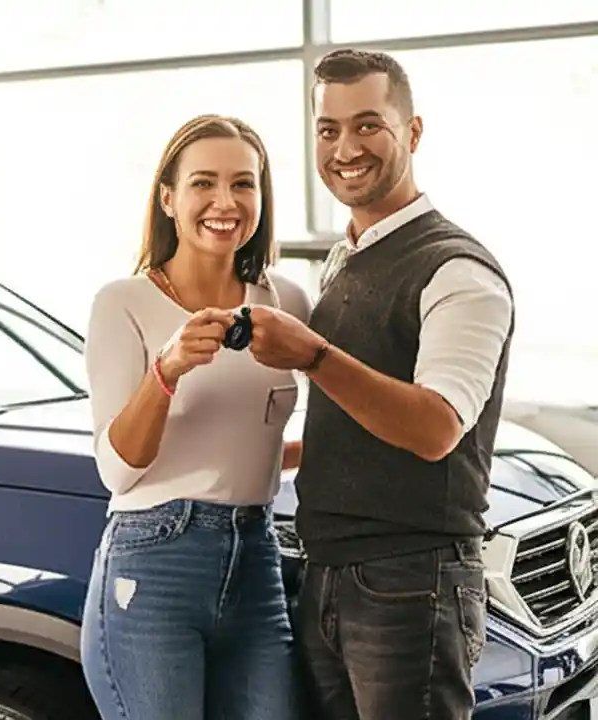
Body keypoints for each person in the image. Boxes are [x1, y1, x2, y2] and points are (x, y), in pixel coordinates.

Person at [244, 48, 515, 719]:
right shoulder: (348, 258)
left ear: (413, 132)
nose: (345, 148)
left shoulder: (458, 272)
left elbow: (432, 429)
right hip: (329, 575)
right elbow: (361, 422)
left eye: (368, 125)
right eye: (328, 129)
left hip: (411, 584)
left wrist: (311, 355)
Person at [79, 113, 310, 720]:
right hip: (155, 563)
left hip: (256, 555)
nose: (225, 201)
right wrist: (167, 369)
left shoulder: (286, 301)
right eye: (203, 183)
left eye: (243, 183)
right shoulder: (122, 303)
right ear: (168, 199)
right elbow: (116, 469)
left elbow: (251, 442)